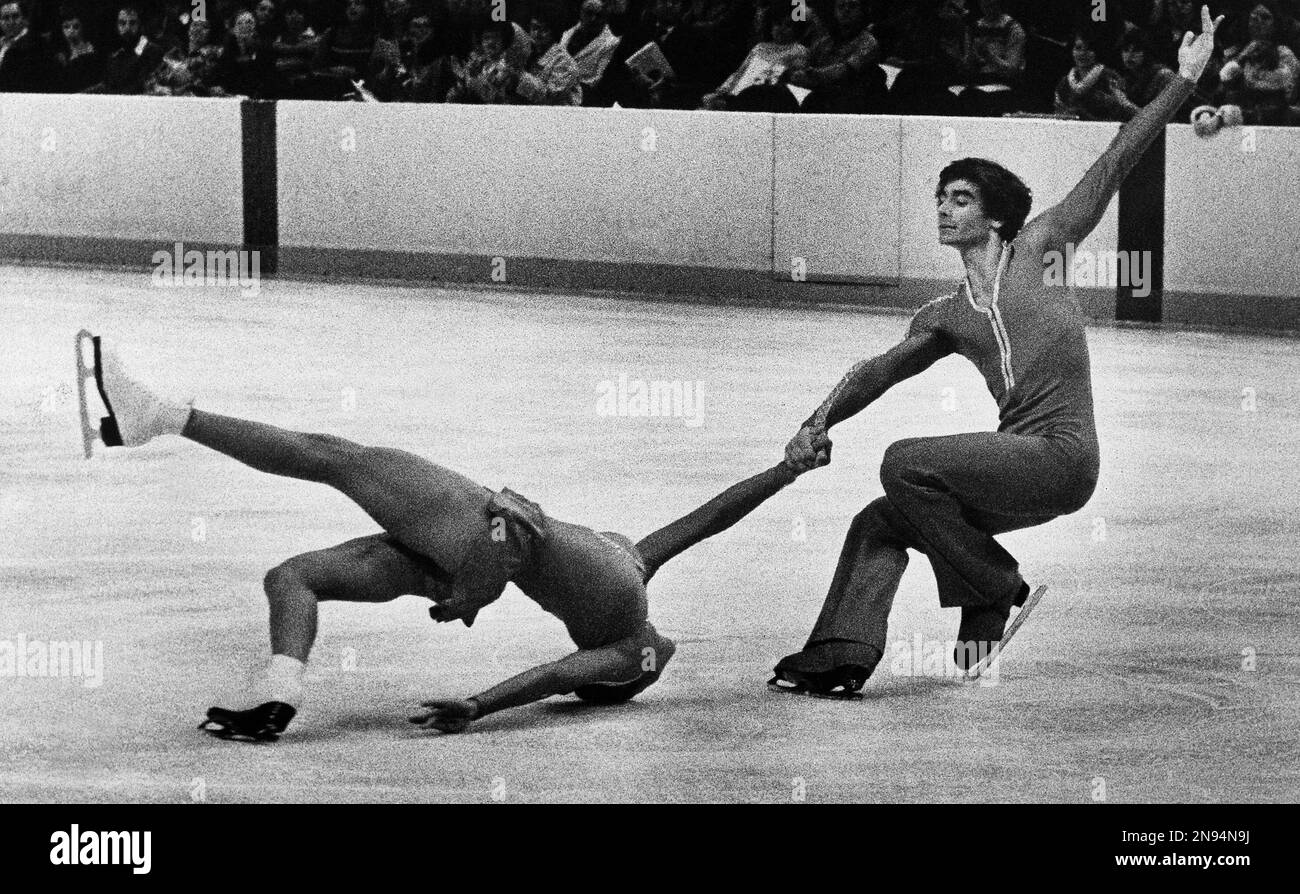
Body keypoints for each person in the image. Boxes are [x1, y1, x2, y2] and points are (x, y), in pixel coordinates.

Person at [769, 6, 1224, 699]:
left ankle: (994, 582)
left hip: (1062, 457)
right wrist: (816, 421)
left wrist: (1183, 83)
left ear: (997, 214)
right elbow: (876, 373)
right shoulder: (947, 315)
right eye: (940, 199)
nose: (944, 209)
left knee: (904, 463)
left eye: (960, 198)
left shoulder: (1041, 248)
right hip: (1009, 469)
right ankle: (841, 651)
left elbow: (1116, 159)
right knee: (880, 520)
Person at [79, 334, 819, 740]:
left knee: (336, 456)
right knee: (292, 576)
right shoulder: (634, 580)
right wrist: (785, 471)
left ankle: (159, 416)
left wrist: (479, 704)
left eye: (649, 670)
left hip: (485, 538)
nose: (665, 657)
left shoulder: (624, 642)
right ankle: (281, 694)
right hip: (471, 563)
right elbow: (711, 517)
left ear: (625, 677)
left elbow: (552, 680)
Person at [1053, 30, 1131, 120]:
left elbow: (1121, 110)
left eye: (1089, 49)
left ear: (1097, 51)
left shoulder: (1110, 78)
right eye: (1078, 48)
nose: (1082, 53)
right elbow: (1058, 113)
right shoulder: (1064, 83)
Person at [0, 0, 53, 92]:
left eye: (15, 16)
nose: (10, 22)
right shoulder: (2, 43)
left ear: (25, 20)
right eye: (5, 18)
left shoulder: (36, 43)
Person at [53, 6, 105, 92]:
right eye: (66, 27)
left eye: (76, 27)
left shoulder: (93, 51)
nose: (71, 30)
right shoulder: (61, 55)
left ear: (83, 28)